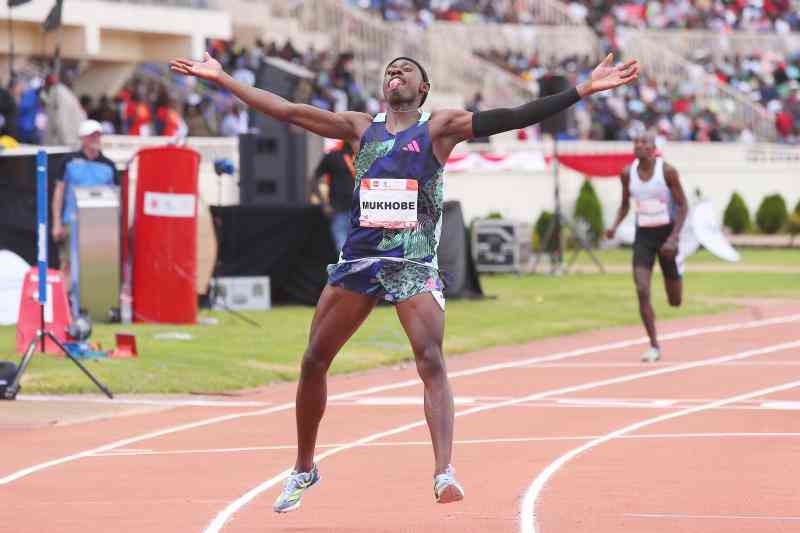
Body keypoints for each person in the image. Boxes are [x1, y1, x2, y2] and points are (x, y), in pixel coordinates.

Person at [171, 50, 639, 512]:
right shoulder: (360, 127)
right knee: (313, 361)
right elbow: (288, 110)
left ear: (424, 89)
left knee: (430, 358)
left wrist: (583, 89)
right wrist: (224, 78)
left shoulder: (439, 126)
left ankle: (443, 472)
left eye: (406, 70)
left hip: (411, 263)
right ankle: (304, 467)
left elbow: (513, 115)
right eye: (389, 69)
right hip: (359, 259)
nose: (395, 73)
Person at [606, 133, 688, 362]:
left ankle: (677, 269)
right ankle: (654, 345)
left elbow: (682, 206)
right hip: (643, 236)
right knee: (642, 289)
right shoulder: (626, 173)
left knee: (675, 301)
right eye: (636, 142)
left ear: (654, 149)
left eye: (645, 143)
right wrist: (613, 226)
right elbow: (624, 205)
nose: (639, 146)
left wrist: (674, 237)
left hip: (667, 236)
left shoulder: (667, 171)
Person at [52, 119, 119, 315]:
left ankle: (97, 310)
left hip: (101, 226)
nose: (96, 139)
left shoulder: (109, 166)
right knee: (67, 265)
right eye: (92, 135)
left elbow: (116, 199)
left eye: (98, 135)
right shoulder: (69, 161)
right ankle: (61, 313)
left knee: (99, 266)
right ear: (83, 138)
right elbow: (59, 193)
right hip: (72, 221)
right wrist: (57, 222)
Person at [312, 140, 356, 252]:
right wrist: (324, 204)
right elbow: (314, 179)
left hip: (363, 212)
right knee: (342, 248)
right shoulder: (333, 156)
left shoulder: (366, 157)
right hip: (340, 209)